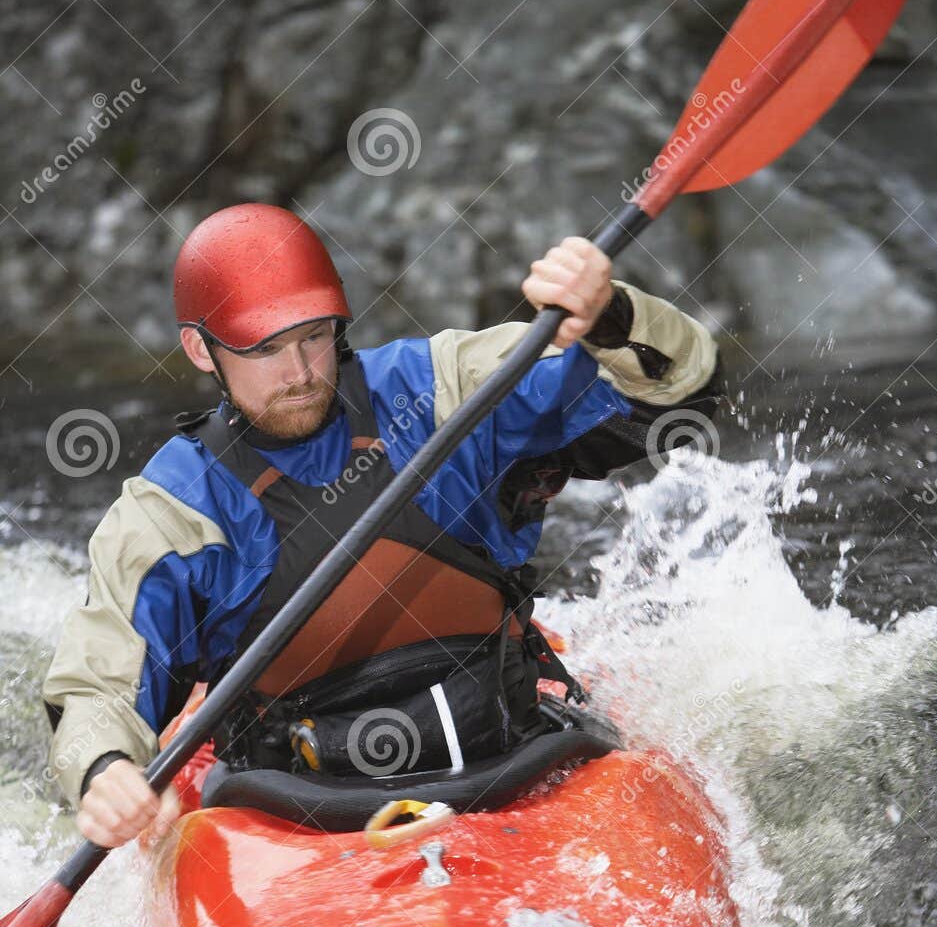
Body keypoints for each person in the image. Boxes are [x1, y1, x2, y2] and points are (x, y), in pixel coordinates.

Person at [42, 204, 724, 849]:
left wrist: (610, 316)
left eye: (314, 336)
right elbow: (97, 687)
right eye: (266, 348)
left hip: (521, 766)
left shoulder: (440, 392)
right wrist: (104, 768)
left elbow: (679, 393)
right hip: (298, 819)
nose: (301, 372)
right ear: (200, 349)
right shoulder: (173, 510)